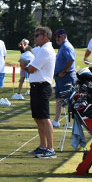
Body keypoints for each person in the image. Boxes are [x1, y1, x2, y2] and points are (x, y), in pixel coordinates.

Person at [25, 26, 57, 158]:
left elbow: (31, 68)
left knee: (44, 118)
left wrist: (27, 66)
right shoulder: (42, 49)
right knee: (38, 118)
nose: (35, 38)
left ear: (45, 36)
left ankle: (50, 148)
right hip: (36, 86)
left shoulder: (46, 50)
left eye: (37, 35)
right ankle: (43, 146)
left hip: (42, 86)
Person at [52, 29, 77, 127]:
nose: (56, 39)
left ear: (64, 36)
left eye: (58, 36)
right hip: (60, 77)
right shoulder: (63, 46)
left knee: (70, 99)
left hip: (67, 76)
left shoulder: (66, 46)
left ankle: (71, 122)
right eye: (56, 37)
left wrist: (65, 71)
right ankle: (56, 120)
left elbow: (71, 60)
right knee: (59, 98)